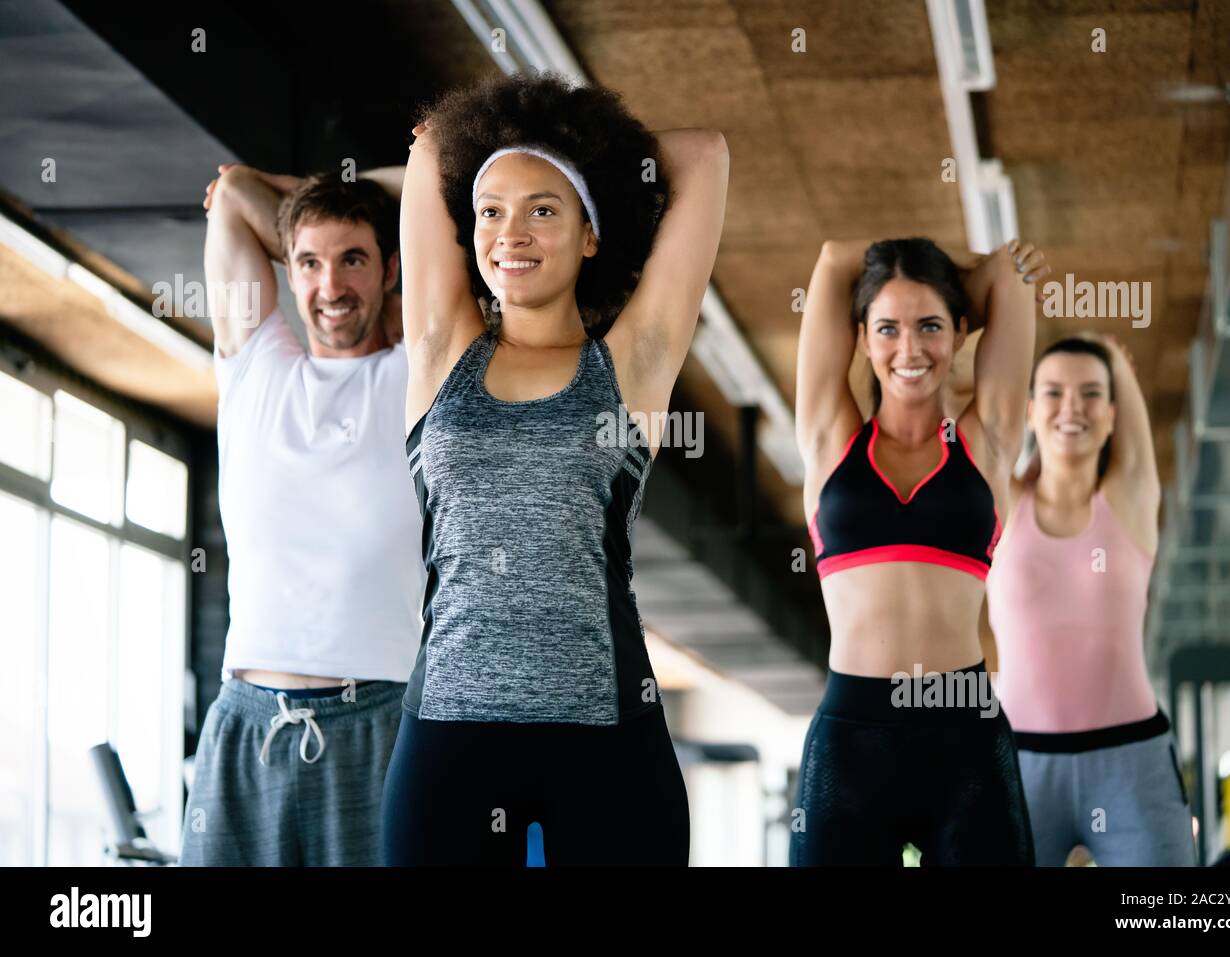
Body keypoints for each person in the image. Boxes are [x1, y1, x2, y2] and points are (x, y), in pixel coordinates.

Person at [380, 71, 729, 866]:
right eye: (491, 212)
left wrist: (583, 152)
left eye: (545, 210)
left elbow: (703, 156)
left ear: (590, 233)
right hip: (448, 728)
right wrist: (501, 153)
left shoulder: (632, 366)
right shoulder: (441, 354)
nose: (513, 232)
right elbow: (434, 144)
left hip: (604, 733)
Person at [180, 163, 423, 866]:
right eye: (310, 262)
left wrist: (331, 196)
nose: (332, 285)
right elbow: (228, 195)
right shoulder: (256, 367)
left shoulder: (418, 374)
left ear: (391, 271)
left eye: (354, 259)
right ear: (288, 270)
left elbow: (446, 175)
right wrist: (297, 193)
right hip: (245, 721)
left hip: (376, 722)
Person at [790, 235, 1048, 866]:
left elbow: (1009, 280)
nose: (909, 349)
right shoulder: (830, 438)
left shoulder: (987, 444)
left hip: (965, 742)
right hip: (849, 746)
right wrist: (956, 269)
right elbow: (831, 257)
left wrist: (982, 273)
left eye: (931, 325)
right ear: (860, 336)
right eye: (888, 328)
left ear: (963, 331)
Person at [985, 333, 1197, 866]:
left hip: (1133, 762)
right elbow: (984, 418)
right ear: (1031, 412)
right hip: (1022, 763)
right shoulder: (1002, 504)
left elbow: (1135, 431)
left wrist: (1110, 351)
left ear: (1111, 415)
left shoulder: (1130, 497)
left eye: (1090, 393)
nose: (1072, 407)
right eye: (1054, 392)